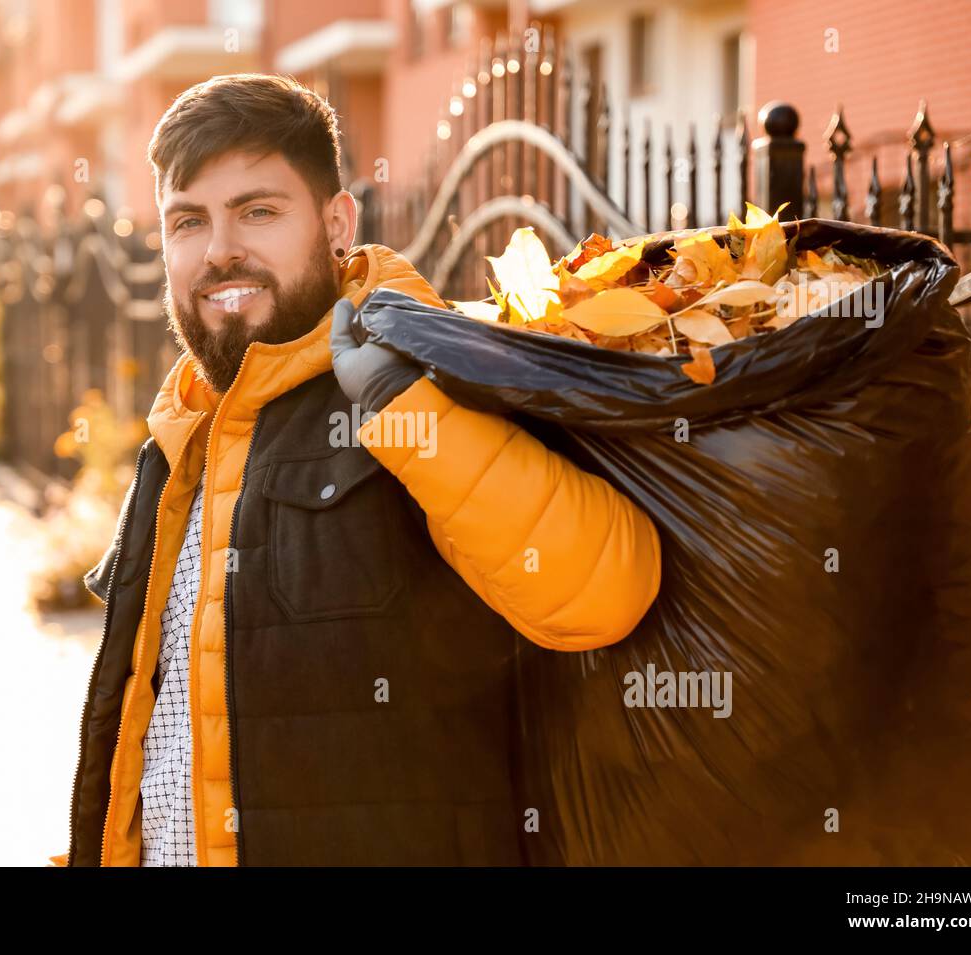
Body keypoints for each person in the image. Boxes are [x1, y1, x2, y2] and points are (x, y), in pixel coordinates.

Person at [52, 73, 661, 867]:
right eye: (187, 221)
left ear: (338, 222)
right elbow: (152, 750)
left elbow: (605, 591)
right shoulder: (179, 444)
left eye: (258, 211)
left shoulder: (430, 376)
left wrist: (406, 409)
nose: (219, 249)